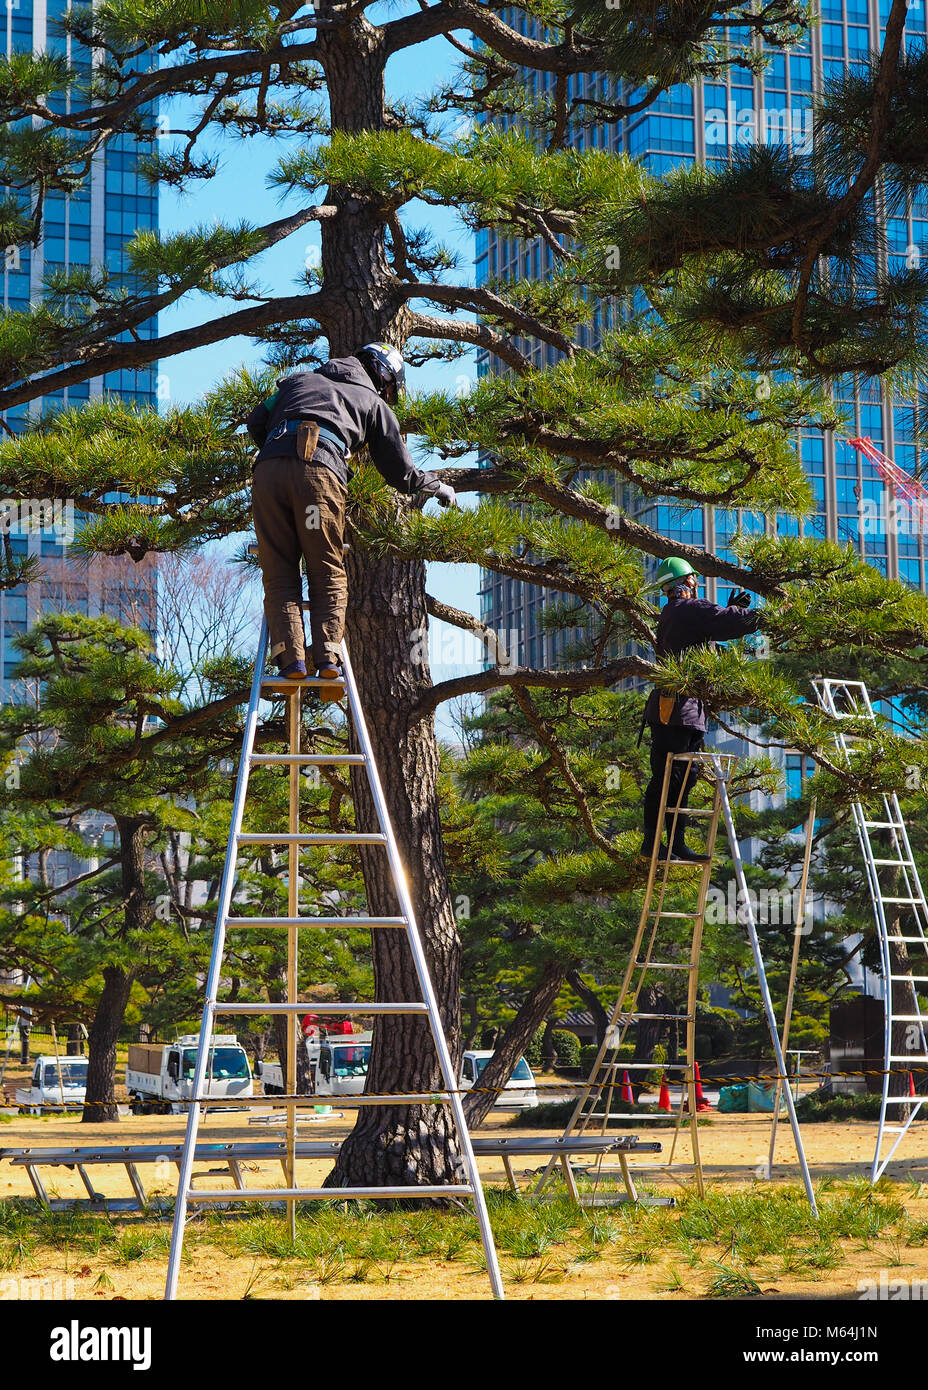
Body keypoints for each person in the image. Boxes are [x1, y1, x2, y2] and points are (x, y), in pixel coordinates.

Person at [246, 343, 456, 692]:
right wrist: (435, 487)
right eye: (389, 389)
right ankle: (327, 656)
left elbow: (256, 421)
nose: (387, 395)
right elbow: (400, 472)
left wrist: (280, 454)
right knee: (325, 565)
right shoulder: (371, 401)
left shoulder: (298, 380)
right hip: (317, 478)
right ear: (383, 376)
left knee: (280, 570)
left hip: (268, 476)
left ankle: (291, 661)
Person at [641, 557, 762, 863]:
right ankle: (654, 844)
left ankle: (674, 843)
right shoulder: (686, 610)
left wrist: (730, 611)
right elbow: (721, 620)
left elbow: (713, 631)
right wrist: (767, 617)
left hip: (687, 711)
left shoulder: (678, 613)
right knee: (668, 778)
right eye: (694, 580)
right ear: (688, 582)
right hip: (675, 711)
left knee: (684, 778)